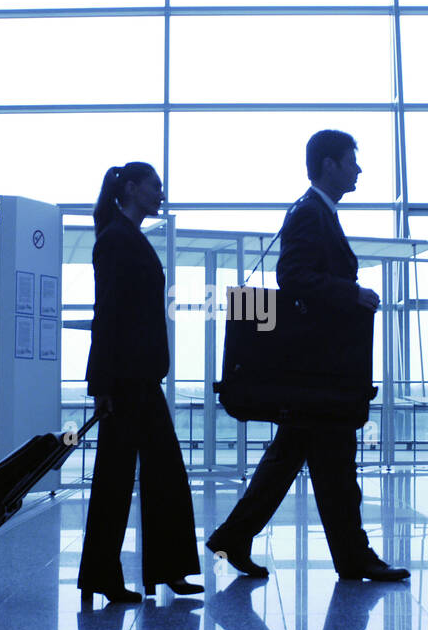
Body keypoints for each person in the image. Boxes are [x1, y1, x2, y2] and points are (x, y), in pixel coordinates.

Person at [206, 130, 410, 582]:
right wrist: (351, 293)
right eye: (351, 161)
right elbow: (292, 275)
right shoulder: (310, 213)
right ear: (329, 164)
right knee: (332, 466)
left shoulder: (318, 212)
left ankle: (236, 537)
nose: (358, 169)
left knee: (305, 462)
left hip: (319, 376)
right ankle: (351, 556)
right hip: (318, 374)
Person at [79, 161, 203, 605]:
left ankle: (160, 571)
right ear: (130, 188)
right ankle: (107, 575)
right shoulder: (116, 240)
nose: (161, 194)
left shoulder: (126, 238)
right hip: (126, 380)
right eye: (155, 186)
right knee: (120, 477)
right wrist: (102, 385)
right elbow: (107, 314)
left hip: (139, 378)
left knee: (159, 474)